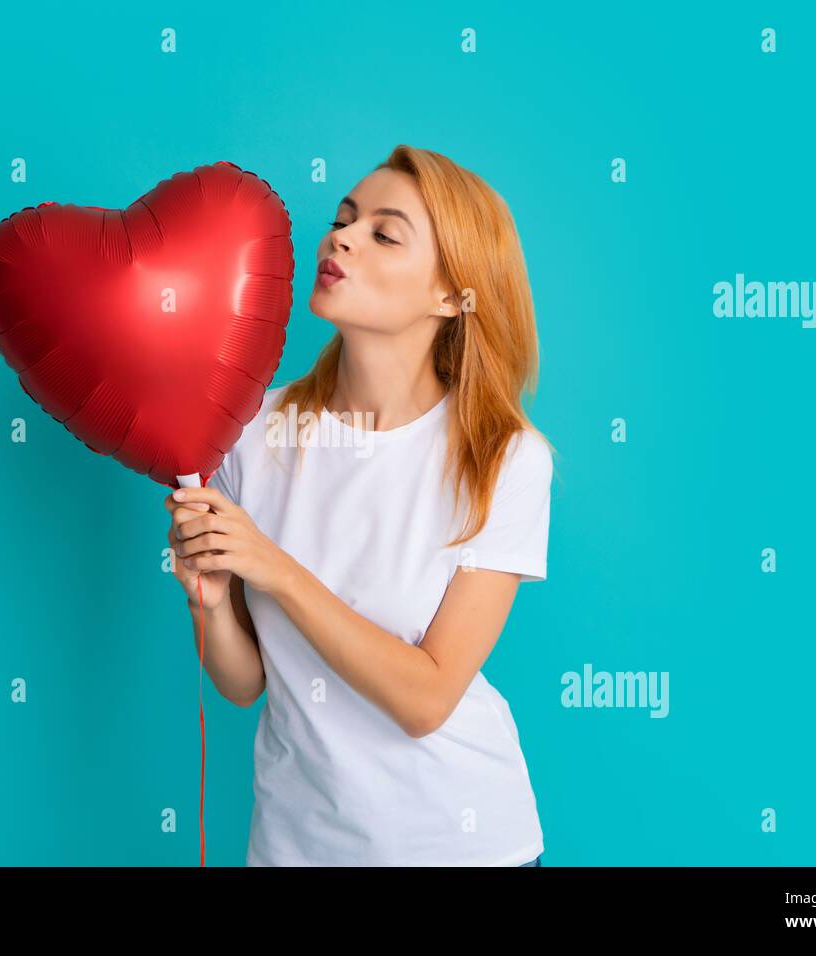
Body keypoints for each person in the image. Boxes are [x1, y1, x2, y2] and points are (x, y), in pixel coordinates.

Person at [165, 144, 556, 866]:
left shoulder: (504, 458)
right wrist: (211, 603)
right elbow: (245, 684)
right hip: (295, 846)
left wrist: (276, 569)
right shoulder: (249, 434)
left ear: (451, 296)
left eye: (384, 233)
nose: (341, 238)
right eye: (343, 219)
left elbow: (426, 701)